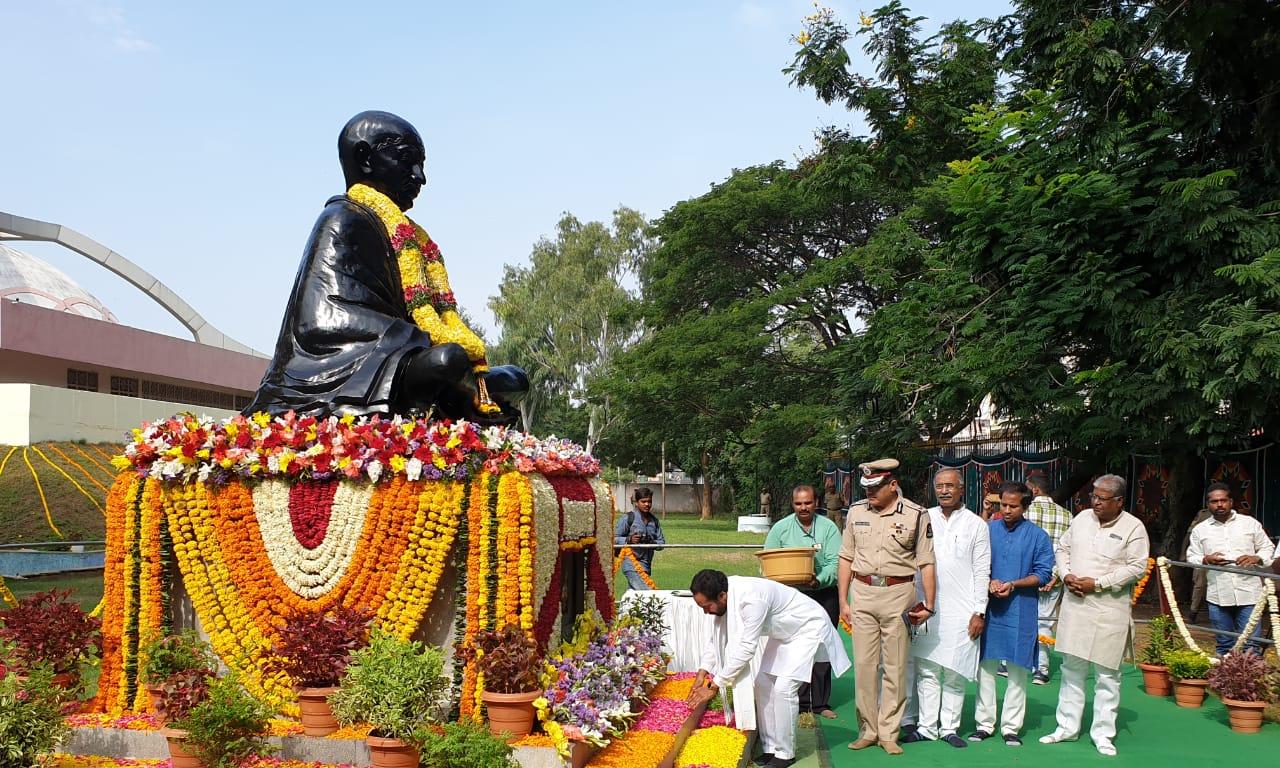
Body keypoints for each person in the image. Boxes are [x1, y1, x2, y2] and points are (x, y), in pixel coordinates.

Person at [246, 110, 526, 423]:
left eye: (421, 165)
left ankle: (466, 388)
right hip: (340, 367)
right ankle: (463, 389)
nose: (420, 177)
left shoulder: (409, 238)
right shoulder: (342, 219)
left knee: (513, 377)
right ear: (365, 159)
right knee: (448, 360)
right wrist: (422, 339)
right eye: (407, 160)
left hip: (398, 357)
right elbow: (321, 322)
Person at [688, 570, 851, 768]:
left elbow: (746, 648)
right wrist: (702, 672)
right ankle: (770, 749)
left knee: (784, 689)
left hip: (806, 628)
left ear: (722, 596)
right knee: (763, 684)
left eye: (706, 606)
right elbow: (716, 639)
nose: (705, 612)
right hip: (784, 633)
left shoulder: (752, 600)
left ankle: (785, 753)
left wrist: (714, 685)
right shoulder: (723, 593)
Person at [1041, 474, 1150, 757]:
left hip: (1109, 609)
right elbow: (1063, 549)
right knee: (1071, 670)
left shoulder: (1133, 527)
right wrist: (1066, 575)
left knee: (1107, 676)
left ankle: (1103, 734)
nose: (1096, 502)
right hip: (1076, 606)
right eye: (1094, 496)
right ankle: (1066, 728)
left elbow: (1138, 567)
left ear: (1119, 501)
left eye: (1102, 498)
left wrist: (1098, 583)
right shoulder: (1081, 519)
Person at [837, 458, 936, 756]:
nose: (870, 492)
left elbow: (927, 562)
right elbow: (846, 557)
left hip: (898, 593)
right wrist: (843, 600)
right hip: (864, 592)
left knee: (894, 667)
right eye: (866, 486)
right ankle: (868, 730)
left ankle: (889, 732)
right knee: (866, 668)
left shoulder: (917, 515)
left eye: (877, 487)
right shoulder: (855, 512)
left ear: (893, 485)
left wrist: (929, 603)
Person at [904, 468, 990, 749]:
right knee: (927, 670)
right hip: (927, 605)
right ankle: (927, 727)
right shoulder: (924, 518)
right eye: (939, 486)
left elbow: (982, 570)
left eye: (950, 486)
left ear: (962, 489)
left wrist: (979, 611)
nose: (944, 491)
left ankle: (949, 727)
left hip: (963, 609)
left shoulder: (976, 524)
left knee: (954, 671)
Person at [969, 482, 1054, 747]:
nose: (1006, 510)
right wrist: (990, 582)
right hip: (989, 609)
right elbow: (974, 563)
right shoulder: (988, 529)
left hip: (1021, 610)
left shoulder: (1037, 536)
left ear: (1025, 507)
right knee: (986, 667)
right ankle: (984, 724)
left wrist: (1013, 584)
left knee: (1018, 669)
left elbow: (1044, 573)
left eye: (1013, 506)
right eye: (1003, 504)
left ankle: (1010, 727)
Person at [763, 485, 842, 718]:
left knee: (822, 648)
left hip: (823, 593)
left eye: (807, 503)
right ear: (792, 504)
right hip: (792, 598)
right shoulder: (781, 528)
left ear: (816, 502)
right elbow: (769, 560)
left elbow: (835, 563)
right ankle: (795, 700)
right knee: (794, 647)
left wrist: (818, 580)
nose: (803, 507)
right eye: (798, 504)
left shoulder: (828, 528)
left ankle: (820, 704)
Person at [1186, 482, 1272, 655]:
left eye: (1223, 500)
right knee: (1224, 644)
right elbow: (1191, 557)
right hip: (1218, 595)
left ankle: (1249, 682)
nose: (1219, 505)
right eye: (1214, 501)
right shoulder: (1200, 530)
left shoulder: (1249, 524)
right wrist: (1206, 559)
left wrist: (1256, 557)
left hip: (1249, 593)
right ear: (1208, 504)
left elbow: (1268, 548)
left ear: (1231, 502)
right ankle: (1224, 681)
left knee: (1251, 647)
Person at [1024, 471, 1072, 685]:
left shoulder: (1024, 512)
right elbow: (1069, 550)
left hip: (1025, 578)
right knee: (1045, 621)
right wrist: (1055, 575)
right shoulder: (1068, 516)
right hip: (1054, 577)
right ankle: (1040, 670)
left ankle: (1010, 664)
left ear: (1034, 489)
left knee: (1019, 618)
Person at [613, 488, 666, 591]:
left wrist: (652, 542)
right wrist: (629, 540)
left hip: (646, 566)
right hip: (630, 563)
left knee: (635, 599)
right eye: (643, 501)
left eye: (649, 501)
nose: (647, 504)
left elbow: (662, 543)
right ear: (636, 503)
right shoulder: (628, 518)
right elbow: (613, 539)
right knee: (647, 593)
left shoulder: (654, 521)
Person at [1181, 506, 1213, 623]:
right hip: (1202, 556)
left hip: (1222, 558)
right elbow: (1189, 534)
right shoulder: (1203, 514)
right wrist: (1183, 553)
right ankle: (1193, 612)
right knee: (1199, 585)